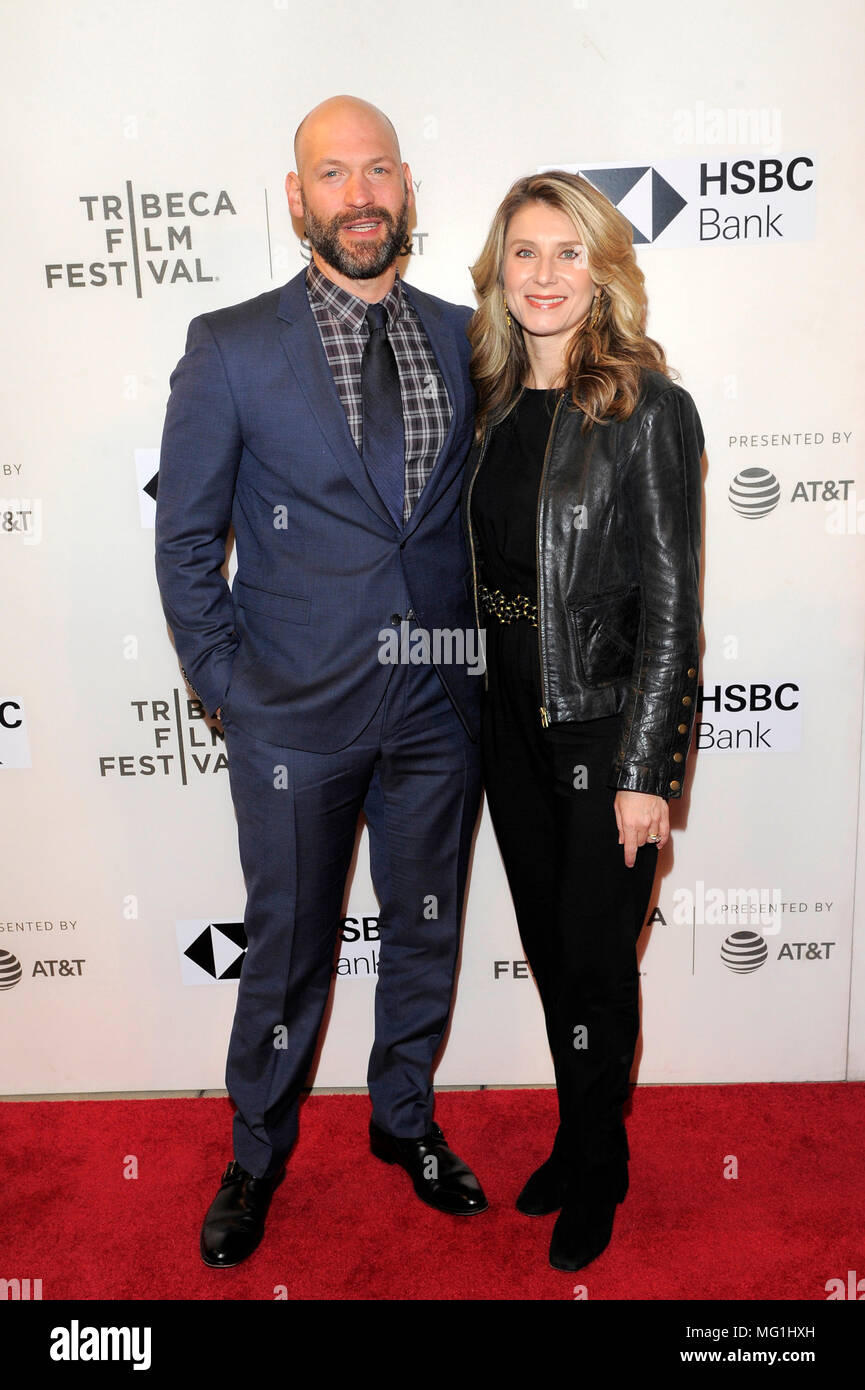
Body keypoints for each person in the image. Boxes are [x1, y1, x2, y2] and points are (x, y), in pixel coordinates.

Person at [155, 95, 488, 1270]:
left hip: (439, 701)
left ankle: (405, 1120)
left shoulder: (465, 333)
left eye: (380, 171)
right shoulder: (231, 346)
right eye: (333, 175)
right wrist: (227, 686)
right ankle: (257, 1148)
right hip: (292, 710)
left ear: (407, 190)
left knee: (426, 929)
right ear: (296, 200)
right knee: (289, 943)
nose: (361, 195)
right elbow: (187, 542)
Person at [462, 171, 704, 1272]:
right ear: (498, 273)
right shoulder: (497, 400)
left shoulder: (645, 406)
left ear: (600, 269)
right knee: (552, 956)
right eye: (524, 253)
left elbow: (670, 603)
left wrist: (647, 766)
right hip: (508, 720)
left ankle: (599, 1165)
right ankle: (577, 1132)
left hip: (600, 732)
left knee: (598, 962)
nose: (544, 275)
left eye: (567, 252)